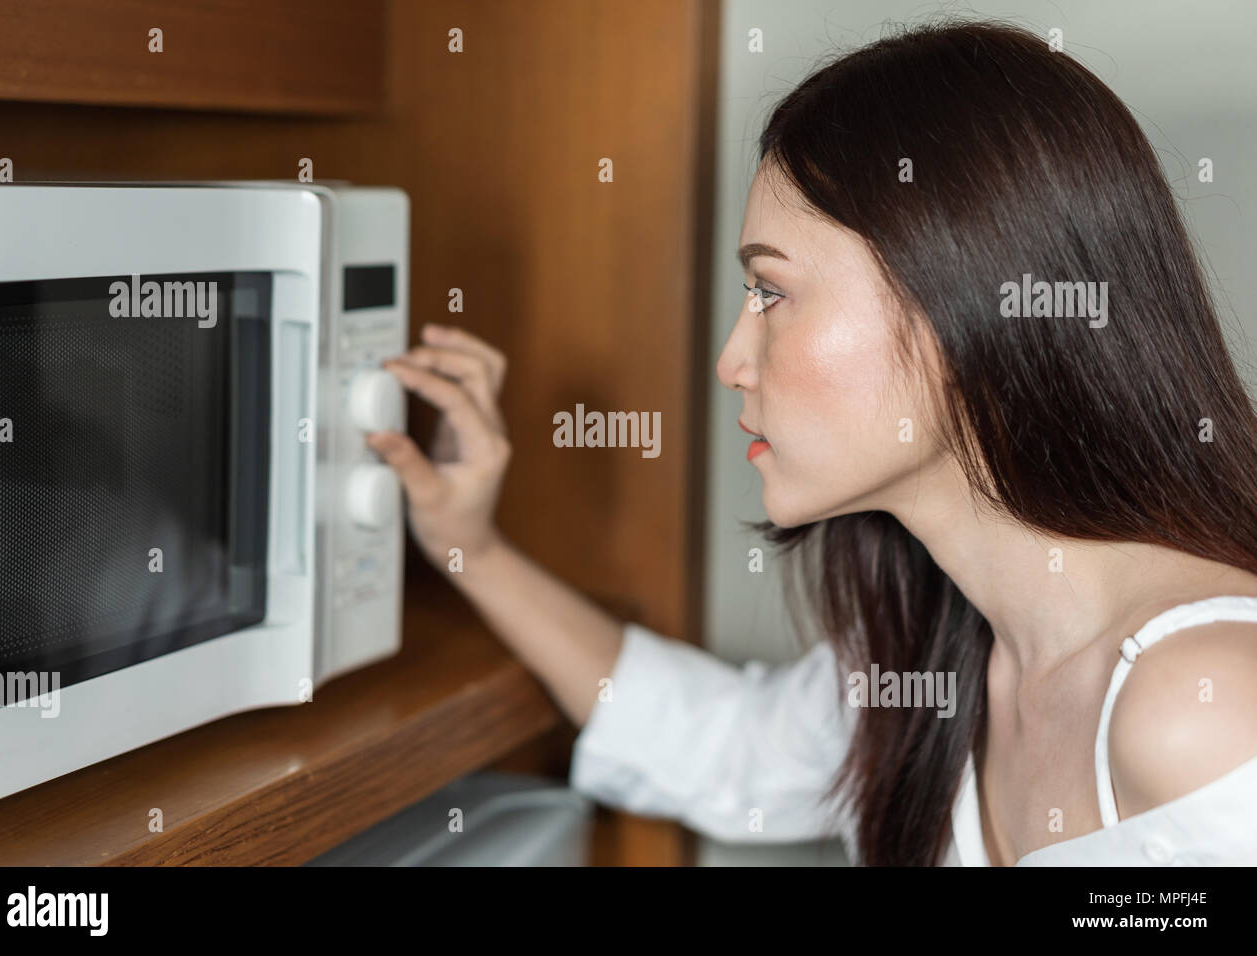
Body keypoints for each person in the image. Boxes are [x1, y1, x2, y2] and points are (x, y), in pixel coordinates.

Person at [367, 20, 1257, 866]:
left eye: (771, 292)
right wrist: (467, 543)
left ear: (962, 301)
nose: (731, 361)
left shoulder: (1202, 711)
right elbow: (727, 751)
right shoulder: (941, 645)